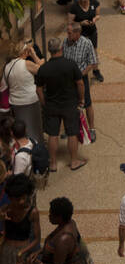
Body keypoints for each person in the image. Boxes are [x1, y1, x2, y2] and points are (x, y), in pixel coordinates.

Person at [35, 37, 86, 171]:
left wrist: (44, 103)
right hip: (69, 104)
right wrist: (81, 99)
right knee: (72, 133)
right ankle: (74, 161)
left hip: (52, 105)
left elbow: (38, 89)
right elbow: (80, 83)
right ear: (61, 48)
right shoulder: (70, 64)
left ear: (49, 50)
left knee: (53, 134)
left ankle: (52, 163)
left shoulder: (44, 68)